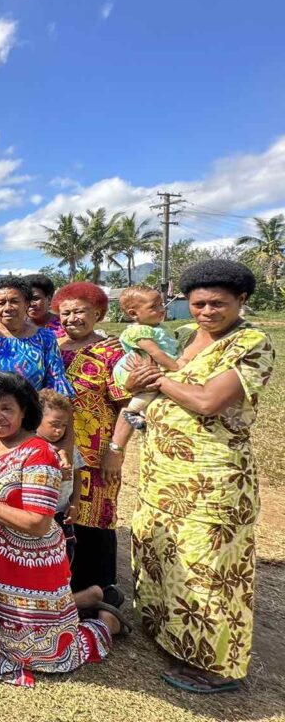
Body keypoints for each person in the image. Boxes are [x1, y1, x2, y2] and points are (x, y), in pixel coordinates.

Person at [125, 260, 274, 693]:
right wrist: (145, 382)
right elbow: (163, 384)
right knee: (167, 554)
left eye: (217, 304)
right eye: (198, 303)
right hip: (167, 473)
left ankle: (216, 666)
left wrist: (158, 376)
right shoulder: (190, 339)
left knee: (209, 566)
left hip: (212, 477)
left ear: (241, 300)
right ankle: (172, 639)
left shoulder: (251, 343)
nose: (207, 311)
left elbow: (209, 401)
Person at [0, 374, 122, 687]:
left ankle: (106, 623)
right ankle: (86, 597)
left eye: (6, 408)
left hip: (30, 563)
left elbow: (38, 523)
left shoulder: (41, 454)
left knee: (48, 656)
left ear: (25, 410)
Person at [52, 282, 134, 597]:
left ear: (98, 313)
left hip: (96, 451)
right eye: (65, 312)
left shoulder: (113, 352)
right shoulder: (55, 347)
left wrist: (116, 450)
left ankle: (101, 589)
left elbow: (128, 406)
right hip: (60, 450)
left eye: (80, 311)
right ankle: (68, 589)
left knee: (96, 517)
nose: (72, 318)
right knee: (64, 514)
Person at [0, 276, 73, 396]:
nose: (7, 308)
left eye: (14, 301)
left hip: (34, 411)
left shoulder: (45, 337)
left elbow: (56, 380)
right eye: (1, 303)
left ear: (27, 304)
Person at [114, 285, 183, 429]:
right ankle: (131, 411)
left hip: (154, 362)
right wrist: (176, 367)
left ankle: (144, 414)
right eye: (154, 307)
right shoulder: (138, 331)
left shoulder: (158, 327)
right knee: (150, 389)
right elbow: (155, 352)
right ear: (133, 314)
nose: (162, 309)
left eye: (161, 304)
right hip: (137, 367)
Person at [36, 389, 82, 563]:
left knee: (63, 558)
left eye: (63, 426)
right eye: (54, 424)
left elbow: (77, 476)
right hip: (37, 516)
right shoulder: (29, 448)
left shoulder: (69, 449)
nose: (59, 431)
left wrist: (75, 503)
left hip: (62, 514)